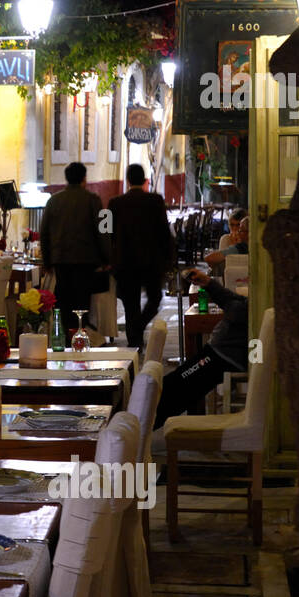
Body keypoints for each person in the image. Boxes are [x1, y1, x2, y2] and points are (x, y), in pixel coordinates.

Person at [154, 268, 249, 427]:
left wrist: (226, 298)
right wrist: (209, 284)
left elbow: (237, 310)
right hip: (223, 353)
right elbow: (236, 302)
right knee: (174, 383)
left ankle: (139, 430)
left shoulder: (262, 299)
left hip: (226, 356)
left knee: (175, 387)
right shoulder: (260, 297)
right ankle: (139, 427)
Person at [108, 164, 175, 350]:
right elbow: (164, 231)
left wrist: (108, 258)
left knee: (131, 306)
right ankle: (139, 328)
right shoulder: (156, 200)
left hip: (124, 262)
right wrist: (169, 258)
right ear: (144, 179)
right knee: (154, 300)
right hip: (151, 262)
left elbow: (105, 231)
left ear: (128, 180)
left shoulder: (114, 203)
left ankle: (134, 339)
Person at [40, 162, 111, 334]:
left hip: (61, 261)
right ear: (84, 178)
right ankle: (78, 336)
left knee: (63, 300)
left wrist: (47, 261)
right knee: (81, 303)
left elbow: (44, 232)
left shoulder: (53, 201)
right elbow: (104, 231)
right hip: (86, 262)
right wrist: (107, 258)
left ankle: (64, 336)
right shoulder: (94, 200)